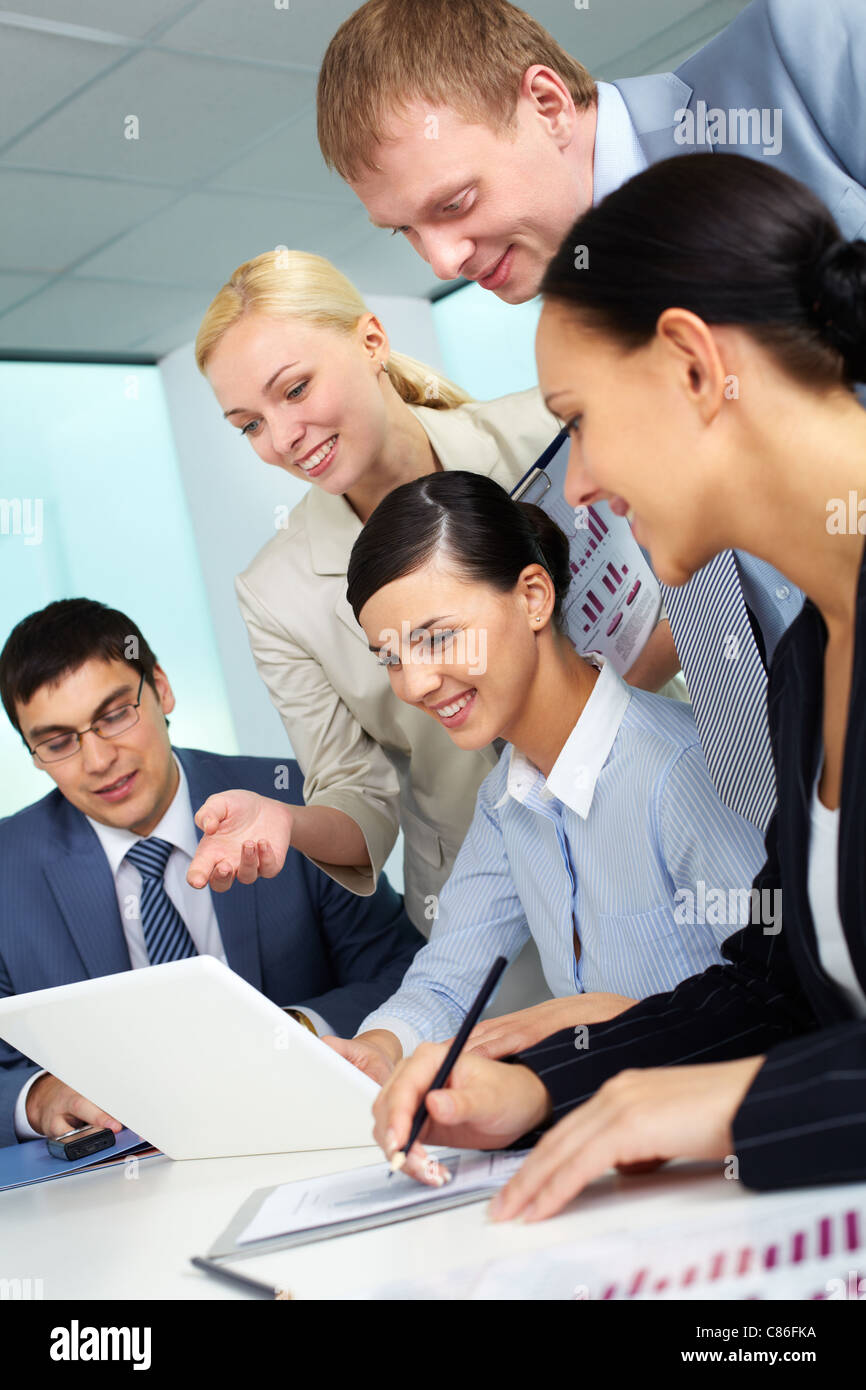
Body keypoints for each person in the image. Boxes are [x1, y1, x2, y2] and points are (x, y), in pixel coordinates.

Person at [367, 153, 866, 1216]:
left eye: (578, 417)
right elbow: (777, 986)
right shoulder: (801, 666)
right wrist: (542, 1083)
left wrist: (737, 1106)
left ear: (691, 365)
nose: (579, 483)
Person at [316, 0, 866, 834]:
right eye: (406, 233)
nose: (444, 259)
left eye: (455, 203)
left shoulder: (812, 51)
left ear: (545, 102)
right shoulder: (592, 359)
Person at [322, 469, 765, 1083]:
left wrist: (618, 1019)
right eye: (393, 657)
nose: (415, 684)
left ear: (533, 597)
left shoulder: (683, 770)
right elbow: (451, 981)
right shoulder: (506, 797)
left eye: (439, 638)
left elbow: (782, 1000)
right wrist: (378, 1046)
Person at [189, 249, 559, 937]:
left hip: (656, 807)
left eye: (295, 389)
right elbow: (357, 794)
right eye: (249, 425)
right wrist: (288, 822)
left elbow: (678, 605)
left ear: (371, 342)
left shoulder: (544, 434)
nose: (284, 438)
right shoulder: (276, 592)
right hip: (484, 899)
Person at [0, 598, 423, 1147]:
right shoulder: (8, 870)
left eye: (114, 716)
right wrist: (37, 1096)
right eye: (58, 742)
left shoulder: (287, 802)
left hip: (306, 1134)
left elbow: (402, 969)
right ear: (32, 754)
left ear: (161, 689)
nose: (98, 760)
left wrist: (291, 1033)